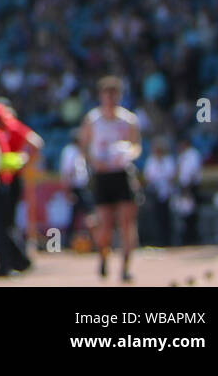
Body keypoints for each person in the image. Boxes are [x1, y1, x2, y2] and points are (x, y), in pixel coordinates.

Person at [79, 76, 142, 282]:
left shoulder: (129, 120)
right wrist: (94, 162)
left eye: (115, 95)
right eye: (107, 95)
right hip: (102, 175)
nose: (110, 99)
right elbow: (84, 146)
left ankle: (125, 267)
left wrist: (127, 154)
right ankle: (103, 256)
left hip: (122, 174)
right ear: (101, 96)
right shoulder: (93, 119)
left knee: (126, 223)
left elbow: (136, 146)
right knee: (104, 224)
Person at [0, 99, 40, 275]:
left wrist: (22, 163)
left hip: (3, 181)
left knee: (2, 225)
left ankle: (15, 262)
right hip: (8, 179)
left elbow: (35, 144)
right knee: (6, 224)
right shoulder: (2, 129)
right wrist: (23, 162)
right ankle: (18, 261)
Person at [58, 128, 97, 248]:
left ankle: (68, 242)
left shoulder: (77, 151)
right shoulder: (71, 152)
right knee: (89, 213)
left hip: (80, 187)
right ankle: (93, 240)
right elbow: (68, 172)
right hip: (76, 188)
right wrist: (68, 191)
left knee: (75, 216)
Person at [141, 137, 176, 247]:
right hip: (154, 193)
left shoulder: (168, 160)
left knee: (167, 217)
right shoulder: (151, 161)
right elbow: (147, 177)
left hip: (167, 193)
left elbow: (172, 176)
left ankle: (168, 240)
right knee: (156, 217)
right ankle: (158, 240)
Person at [175, 135, 203, 245]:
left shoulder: (192, 154)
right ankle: (187, 238)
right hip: (183, 187)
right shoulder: (182, 156)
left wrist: (187, 188)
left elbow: (191, 173)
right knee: (184, 213)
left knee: (192, 214)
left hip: (191, 187)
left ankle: (193, 238)